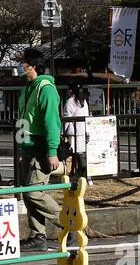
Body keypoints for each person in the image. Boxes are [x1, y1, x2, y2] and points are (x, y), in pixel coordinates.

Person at [15, 47, 64, 249]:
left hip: (39, 149)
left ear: (32, 66)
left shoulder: (45, 89)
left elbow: (52, 122)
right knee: (29, 196)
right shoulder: (29, 87)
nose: (20, 66)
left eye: (23, 62)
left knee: (33, 193)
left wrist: (52, 151)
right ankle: (37, 235)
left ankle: (70, 224)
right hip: (27, 148)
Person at [61, 84, 92, 179]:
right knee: (80, 152)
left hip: (73, 131)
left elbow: (67, 117)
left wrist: (62, 132)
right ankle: (81, 172)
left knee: (72, 152)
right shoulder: (83, 101)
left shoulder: (71, 101)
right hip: (82, 130)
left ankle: (74, 172)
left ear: (71, 91)